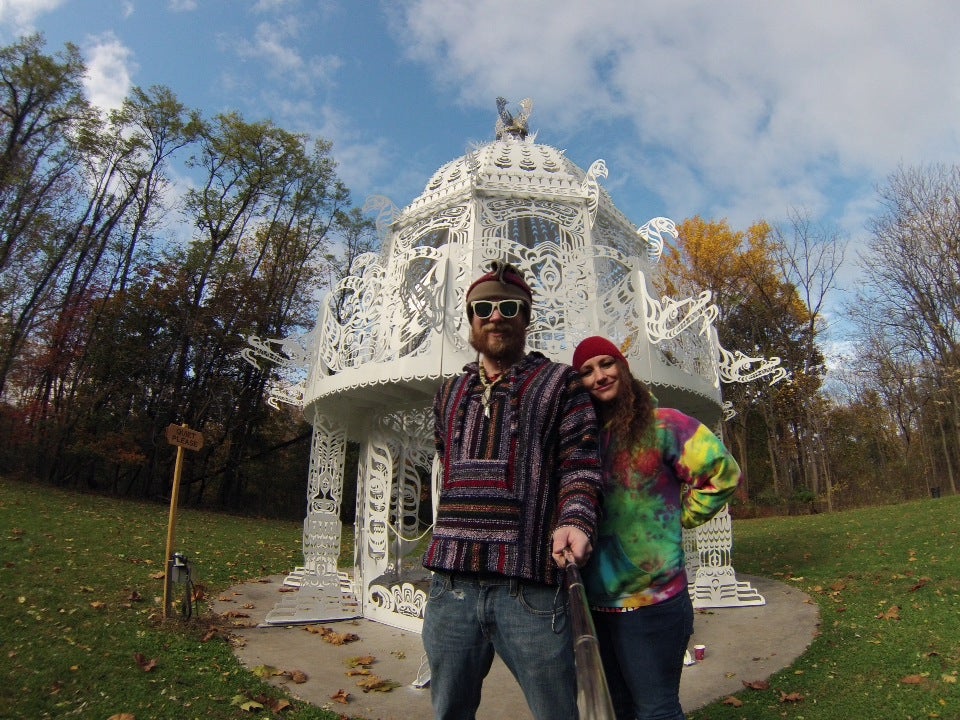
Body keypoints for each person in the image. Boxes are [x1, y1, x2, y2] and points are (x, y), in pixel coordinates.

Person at [422, 261, 604, 720]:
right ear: (470, 319)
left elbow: (581, 465)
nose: (495, 316)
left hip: (530, 589)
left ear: (526, 317)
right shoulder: (449, 392)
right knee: (448, 712)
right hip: (450, 587)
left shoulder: (560, 383)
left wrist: (576, 520)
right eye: (482, 308)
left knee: (557, 712)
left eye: (509, 307)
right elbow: (445, 458)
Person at [571, 336, 741, 720]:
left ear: (623, 368)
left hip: (652, 603)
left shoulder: (665, 425)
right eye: (587, 371)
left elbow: (722, 473)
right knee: (618, 708)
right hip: (595, 605)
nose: (599, 376)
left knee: (656, 709)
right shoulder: (582, 441)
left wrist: (680, 518)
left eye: (606, 364)